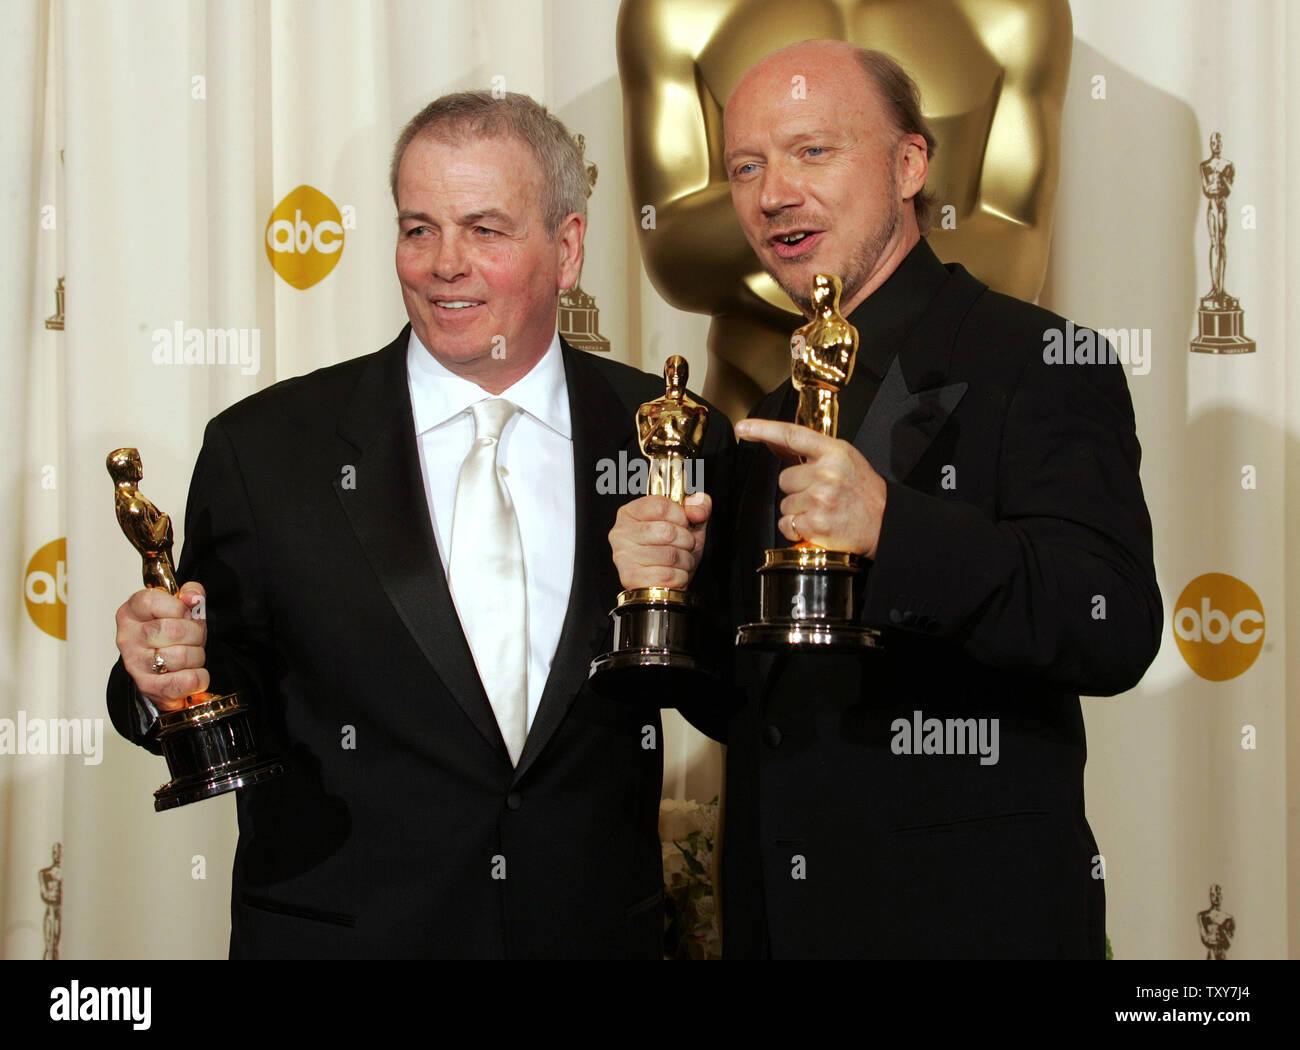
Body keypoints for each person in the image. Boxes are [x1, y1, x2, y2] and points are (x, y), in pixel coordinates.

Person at [107, 90, 733, 959]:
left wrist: (683, 597)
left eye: (485, 228)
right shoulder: (268, 448)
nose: (445, 264)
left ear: (568, 247)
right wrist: (163, 676)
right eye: (418, 228)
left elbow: (736, 693)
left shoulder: (666, 431)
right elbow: (222, 672)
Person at [610, 40, 1161, 958]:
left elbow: (1110, 622)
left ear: (910, 165)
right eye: (746, 165)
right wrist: (672, 598)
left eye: (812, 151)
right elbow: (762, 702)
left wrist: (891, 528)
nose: (773, 192)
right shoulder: (776, 412)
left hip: (969, 929)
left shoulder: (1035, 360)